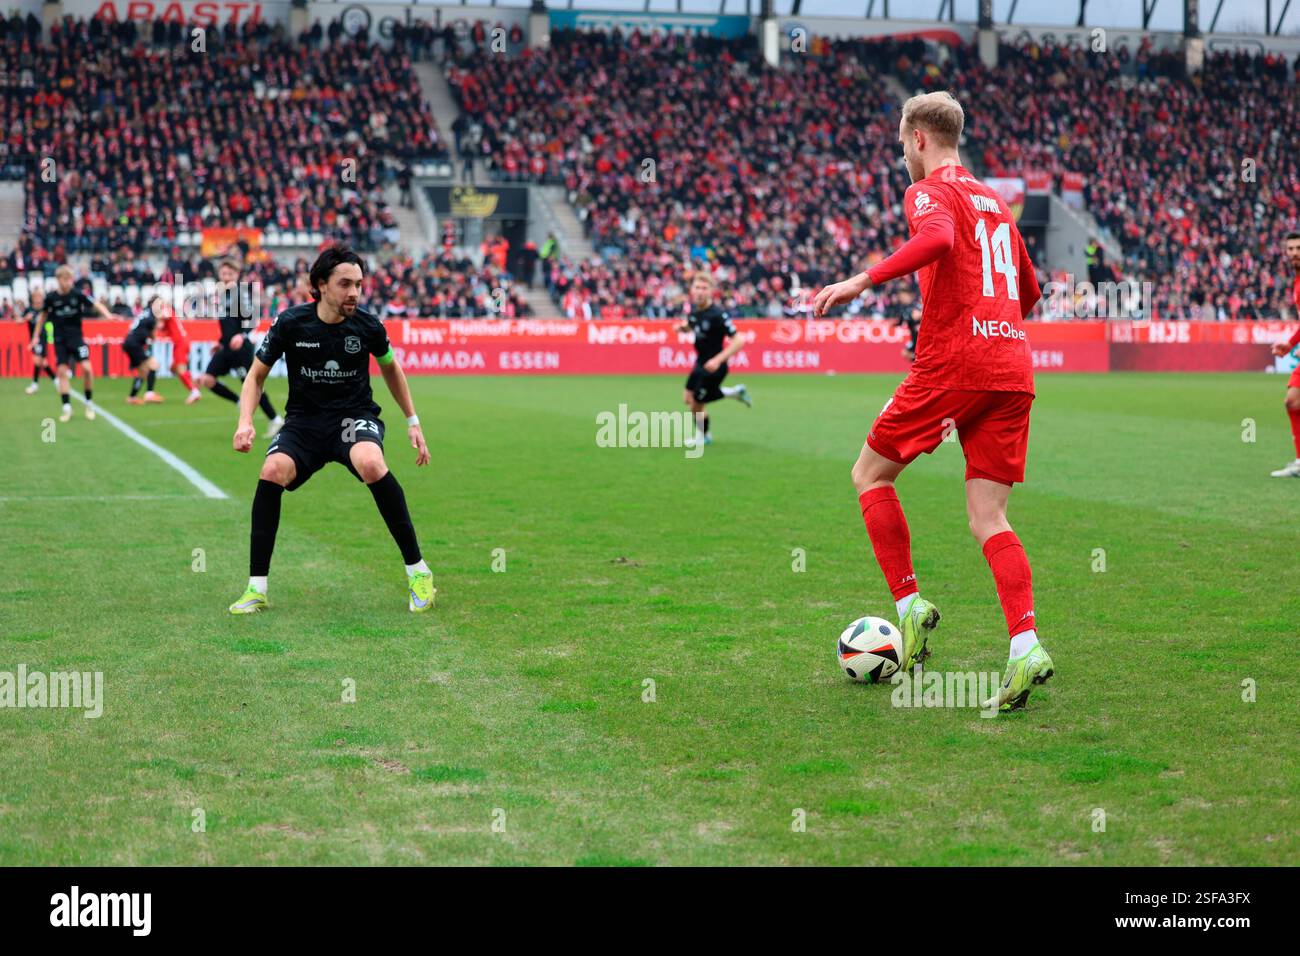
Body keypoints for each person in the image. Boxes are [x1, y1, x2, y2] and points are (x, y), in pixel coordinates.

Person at [813, 91, 1053, 713]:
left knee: (869, 472)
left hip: (955, 364)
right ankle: (1025, 645)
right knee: (988, 517)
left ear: (919, 138)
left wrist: (860, 280)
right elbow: (1030, 291)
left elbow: (940, 240)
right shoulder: (997, 202)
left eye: (902, 147)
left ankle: (909, 604)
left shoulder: (929, 192)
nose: (903, 159)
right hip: (1011, 369)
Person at [227, 246, 435, 614]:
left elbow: (391, 368)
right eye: (345, 284)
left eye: (358, 284)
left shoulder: (369, 325)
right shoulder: (291, 323)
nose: (354, 292)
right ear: (320, 285)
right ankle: (256, 588)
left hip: (352, 418)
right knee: (272, 471)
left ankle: (419, 573)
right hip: (304, 423)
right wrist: (245, 422)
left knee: (371, 463)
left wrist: (412, 420)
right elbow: (255, 376)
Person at [197, 260, 284, 436]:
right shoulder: (222, 295)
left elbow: (253, 320)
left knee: (252, 385)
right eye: (223, 274)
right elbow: (229, 325)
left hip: (241, 348)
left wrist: (242, 335)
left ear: (236, 275)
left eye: (230, 274)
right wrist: (220, 342)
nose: (226, 277)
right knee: (207, 379)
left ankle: (275, 419)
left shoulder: (241, 294)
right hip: (227, 348)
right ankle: (238, 402)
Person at [673, 271, 751, 447]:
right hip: (700, 363)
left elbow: (739, 340)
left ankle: (702, 437)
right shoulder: (694, 311)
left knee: (696, 403)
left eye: (704, 288)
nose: (700, 291)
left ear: (710, 291)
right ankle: (734, 393)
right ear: (692, 290)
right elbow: (692, 325)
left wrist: (718, 360)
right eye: (697, 287)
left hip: (715, 367)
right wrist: (682, 329)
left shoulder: (717, 314)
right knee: (688, 398)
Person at [33, 265, 114, 422]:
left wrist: (108, 315)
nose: (69, 282)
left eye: (70, 279)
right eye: (65, 279)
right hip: (59, 340)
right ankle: (67, 408)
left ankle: (89, 403)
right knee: (62, 372)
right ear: (59, 280)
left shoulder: (77, 294)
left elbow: (96, 304)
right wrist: (36, 336)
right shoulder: (51, 298)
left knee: (87, 369)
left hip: (76, 338)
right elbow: (42, 317)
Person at [1268, 231, 1300, 477]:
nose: (1294, 253)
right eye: (1290, 249)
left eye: (1298, 248)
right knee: (1292, 401)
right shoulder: (1296, 281)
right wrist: (1290, 344)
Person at [121, 295, 167, 404]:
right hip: (134, 344)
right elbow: (153, 337)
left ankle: (132, 398)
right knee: (154, 365)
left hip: (129, 342)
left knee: (143, 371)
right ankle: (149, 394)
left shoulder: (145, 313)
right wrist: (158, 326)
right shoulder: (152, 318)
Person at [22, 287, 57, 394]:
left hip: (42, 338)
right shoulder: (29, 310)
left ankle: (35, 384)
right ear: (32, 298)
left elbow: (52, 321)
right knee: (43, 362)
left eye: (39, 297)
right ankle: (56, 380)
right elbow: (18, 320)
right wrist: (25, 319)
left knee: (37, 360)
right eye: (35, 297)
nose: (37, 299)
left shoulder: (44, 310)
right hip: (33, 338)